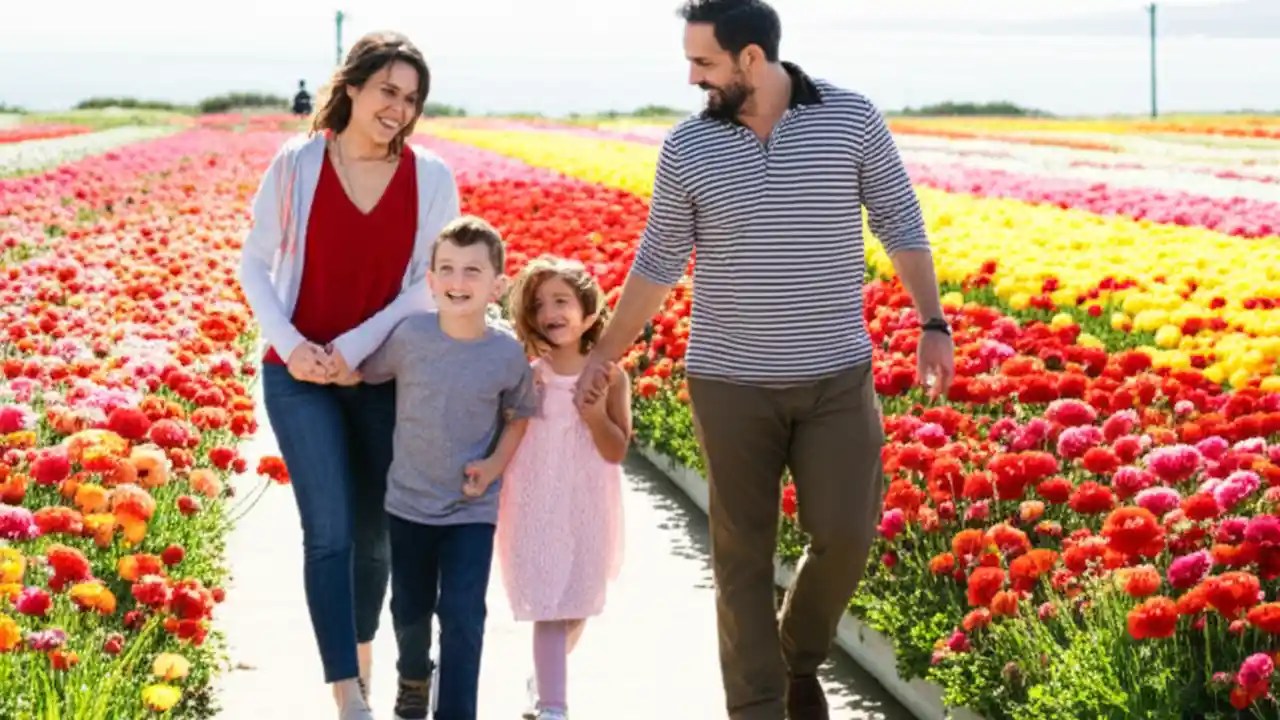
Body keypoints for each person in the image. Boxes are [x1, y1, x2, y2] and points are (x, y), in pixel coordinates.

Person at [573, 1, 956, 719]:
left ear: (751, 57)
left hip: (836, 377)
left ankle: (796, 654)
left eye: (704, 63)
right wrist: (604, 355)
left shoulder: (850, 119)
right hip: (729, 383)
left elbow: (900, 220)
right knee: (741, 556)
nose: (692, 78)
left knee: (845, 533)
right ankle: (756, 706)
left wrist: (932, 321)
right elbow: (658, 261)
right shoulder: (688, 146)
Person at [237, 30, 460, 720]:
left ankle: (361, 661)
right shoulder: (298, 164)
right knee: (328, 531)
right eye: (388, 91)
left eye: (412, 99)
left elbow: (427, 284)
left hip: (384, 376)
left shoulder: (431, 178)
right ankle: (346, 694)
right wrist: (294, 346)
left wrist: (354, 349)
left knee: (375, 537)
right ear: (354, 87)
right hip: (297, 375)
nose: (398, 109)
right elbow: (254, 263)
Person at [359, 215, 540, 720]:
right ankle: (414, 675)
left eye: (473, 271)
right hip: (408, 503)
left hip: (470, 509)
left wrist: (493, 465)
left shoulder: (506, 353)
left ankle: (457, 710)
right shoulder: (410, 337)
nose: (458, 281)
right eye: (447, 269)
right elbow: (366, 375)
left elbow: (520, 414)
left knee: (463, 613)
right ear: (431, 280)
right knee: (409, 610)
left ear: (497, 285)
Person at [496, 256, 631, 720]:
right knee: (549, 605)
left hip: (587, 504)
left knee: (576, 606)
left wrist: (592, 415)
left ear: (589, 315)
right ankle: (553, 704)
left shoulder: (611, 377)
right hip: (535, 501)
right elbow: (508, 431)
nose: (549, 312)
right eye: (539, 304)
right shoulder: (529, 374)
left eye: (561, 301)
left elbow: (616, 450)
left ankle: (543, 676)